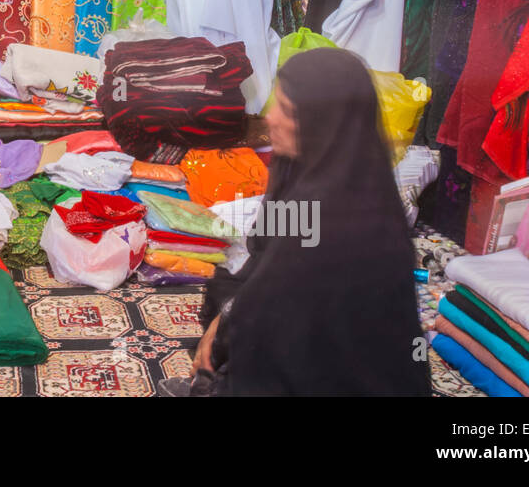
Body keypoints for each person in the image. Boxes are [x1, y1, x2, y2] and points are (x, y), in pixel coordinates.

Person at [164, 47, 430, 396]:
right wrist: (224, 314)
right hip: (315, 343)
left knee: (247, 328)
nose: (270, 117)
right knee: (226, 284)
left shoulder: (336, 221)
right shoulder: (318, 168)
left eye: (287, 111)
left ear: (320, 123)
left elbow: (267, 312)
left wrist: (225, 331)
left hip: (341, 380)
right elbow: (262, 249)